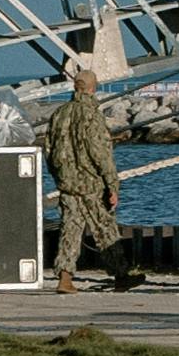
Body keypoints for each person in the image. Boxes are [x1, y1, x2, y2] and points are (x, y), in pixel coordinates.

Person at [42, 62, 133, 292]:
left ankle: (65, 277)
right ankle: (121, 275)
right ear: (93, 89)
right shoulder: (92, 116)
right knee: (105, 229)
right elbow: (100, 153)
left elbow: (49, 151)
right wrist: (113, 184)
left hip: (68, 184)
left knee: (70, 230)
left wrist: (59, 177)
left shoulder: (59, 114)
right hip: (91, 183)